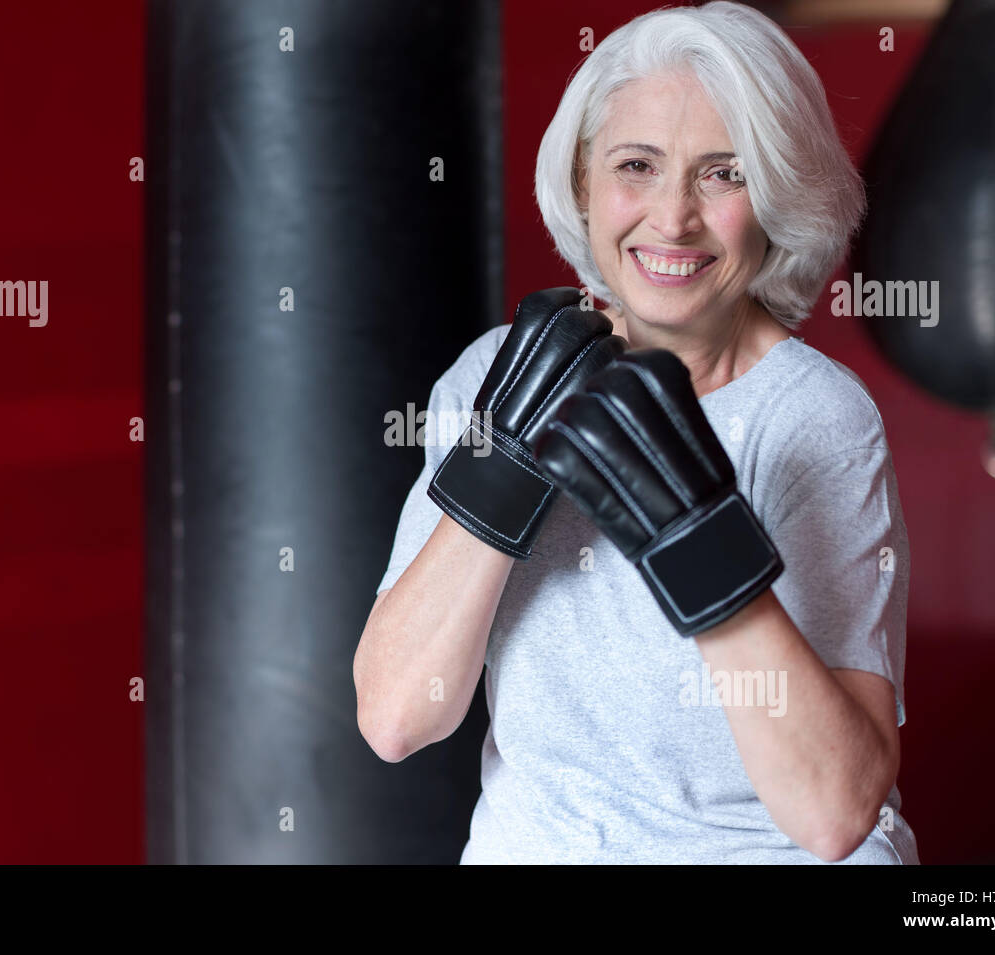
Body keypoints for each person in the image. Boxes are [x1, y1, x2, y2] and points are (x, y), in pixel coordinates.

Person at [353, 1, 919, 864]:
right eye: (637, 165)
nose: (673, 217)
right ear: (583, 181)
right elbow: (396, 717)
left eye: (723, 174)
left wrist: (702, 544)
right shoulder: (490, 379)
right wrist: (500, 469)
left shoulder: (812, 419)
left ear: (774, 199)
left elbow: (835, 814)